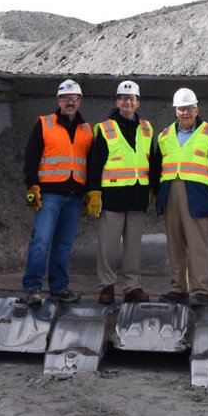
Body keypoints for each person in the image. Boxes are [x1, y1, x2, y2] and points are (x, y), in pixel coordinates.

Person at [151, 87, 208, 308]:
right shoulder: (165, 135)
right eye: (181, 109)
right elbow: (157, 167)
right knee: (174, 244)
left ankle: (200, 290)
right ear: (175, 111)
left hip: (196, 194)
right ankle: (178, 289)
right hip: (170, 193)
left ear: (197, 109)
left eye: (189, 108)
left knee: (197, 244)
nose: (185, 113)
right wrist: (155, 192)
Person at [20, 78, 92, 305]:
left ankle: (59, 288)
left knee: (63, 244)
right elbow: (31, 157)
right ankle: (32, 288)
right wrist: (32, 185)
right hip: (49, 193)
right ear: (58, 100)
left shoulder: (87, 129)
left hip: (74, 196)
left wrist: (91, 192)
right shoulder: (44, 123)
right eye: (65, 98)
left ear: (79, 101)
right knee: (41, 240)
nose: (69, 102)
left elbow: (91, 162)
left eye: (74, 98)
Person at [86, 80, 154, 305]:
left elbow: (151, 161)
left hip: (137, 197)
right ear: (117, 102)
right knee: (108, 245)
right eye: (123, 99)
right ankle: (107, 286)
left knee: (133, 247)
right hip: (113, 197)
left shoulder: (146, 128)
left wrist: (152, 186)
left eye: (131, 99)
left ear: (137, 103)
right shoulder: (105, 128)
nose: (127, 102)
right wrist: (94, 192)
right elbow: (95, 163)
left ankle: (132, 286)